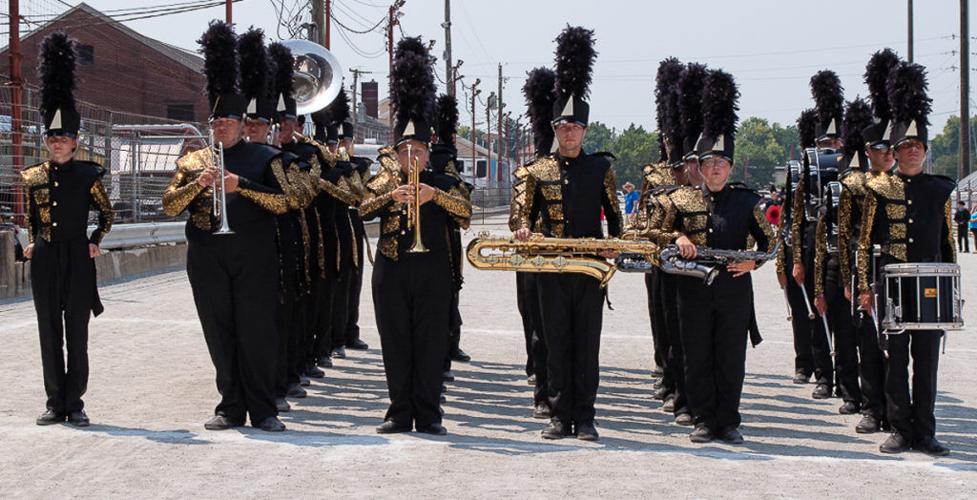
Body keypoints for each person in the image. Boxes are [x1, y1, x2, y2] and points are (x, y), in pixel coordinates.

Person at [162, 21, 292, 432]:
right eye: (216, 122)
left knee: (257, 331)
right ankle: (229, 406)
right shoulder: (193, 161)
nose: (221, 129)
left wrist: (243, 187)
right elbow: (168, 206)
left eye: (229, 123)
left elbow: (284, 203)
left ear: (241, 124)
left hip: (254, 255)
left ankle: (264, 408)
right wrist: (195, 187)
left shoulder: (264, 158)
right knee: (219, 331)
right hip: (207, 255)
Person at [510, 26, 623, 441]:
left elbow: (615, 216)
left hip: (589, 268)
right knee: (555, 342)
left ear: (585, 130)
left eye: (575, 127)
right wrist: (522, 228)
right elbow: (520, 212)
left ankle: (587, 417)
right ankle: (560, 416)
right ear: (554, 130)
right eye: (562, 126)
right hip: (548, 268)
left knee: (586, 345)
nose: (568, 133)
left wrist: (614, 245)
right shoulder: (538, 169)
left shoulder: (600, 169)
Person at [655, 69, 776, 444]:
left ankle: (729, 420)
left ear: (730, 167)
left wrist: (753, 260)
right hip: (692, 289)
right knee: (696, 355)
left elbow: (771, 240)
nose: (715, 169)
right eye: (708, 163)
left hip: (734, 288)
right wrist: (678, 236)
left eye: (721, 163)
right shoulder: (681, 198)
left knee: (730, 357)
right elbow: (654, 231)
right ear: (699, 166)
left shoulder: (747, 200)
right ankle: (704, 419)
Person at [360, 38, 471, 436]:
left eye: (418, 150)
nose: (412, 157)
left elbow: (466, 215)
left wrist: (434, 195)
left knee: (429, 342)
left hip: (432, 270)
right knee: (395, 341)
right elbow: (361, 209)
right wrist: (392, 196)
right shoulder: (383, 180)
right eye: (405, 150)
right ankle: (398, 411)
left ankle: (429, 414)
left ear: (428, 152)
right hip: (392, 267)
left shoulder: (445, 180)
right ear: (397, 152)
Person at [857, 61, 954, 457]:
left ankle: (925, 431)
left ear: (924, 151)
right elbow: (864, 242)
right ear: (894, 152)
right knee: (896, 359)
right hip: (892, 284)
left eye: (918, 146)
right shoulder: (878, 190)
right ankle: (899, 427)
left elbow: (948, 243)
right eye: (905, 146)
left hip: (930, 285)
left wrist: (951, 285)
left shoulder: (941, 189)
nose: (912, 151)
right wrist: (865, 287)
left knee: (927, 361)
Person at [24, 32, 114, 427]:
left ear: (76, 141)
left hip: (78, 255)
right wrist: (30, 242)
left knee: (76, 331)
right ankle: (53, 401)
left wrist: (95, 241)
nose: (58, 143)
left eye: (64, 137)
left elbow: (108, 214)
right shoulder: (32, 177)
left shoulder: (89, 174)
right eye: (52, 137)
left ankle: (75, 402)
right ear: (46, 141)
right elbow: (30, 215)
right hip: (45, 257)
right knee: (48, 331)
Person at [513, 66, 558, 418]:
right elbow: (517, 215)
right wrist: (527, 228)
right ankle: (539, 376)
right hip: (533, 256)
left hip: (566, 256)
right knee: (534, 320)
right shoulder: (528, 173)